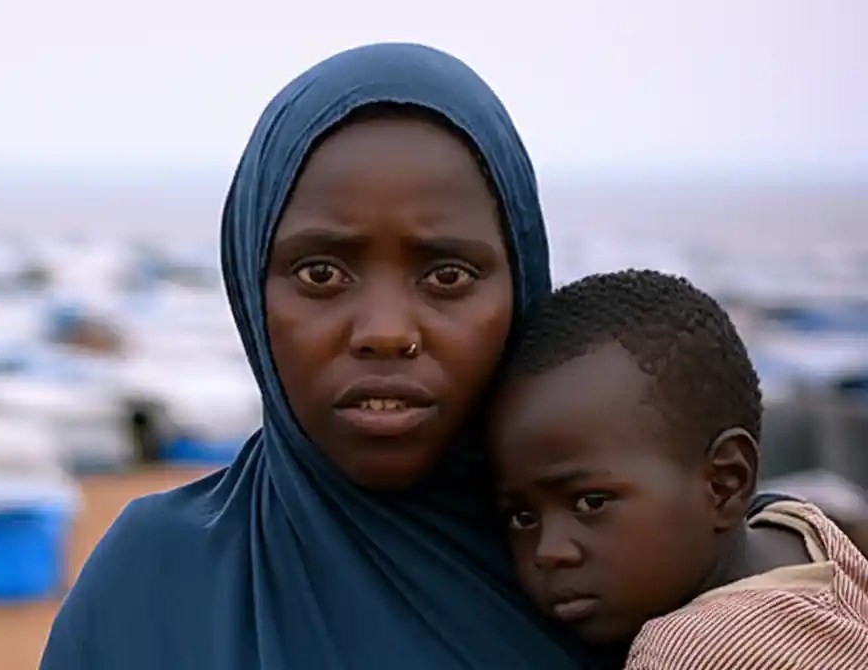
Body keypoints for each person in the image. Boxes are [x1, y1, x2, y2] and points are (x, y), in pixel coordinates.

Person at [40, 42, 603, 669]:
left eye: (447, 276)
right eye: (321, 273)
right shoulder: (150, 589)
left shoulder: (627, 576)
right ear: (251, 290)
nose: (386, 333)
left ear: (522, 283)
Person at [490, 269, 868, 668]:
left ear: (725, 483)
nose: (549, 552)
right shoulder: (803, 531)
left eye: (590, 502)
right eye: (523, 517)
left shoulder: (684, 652)